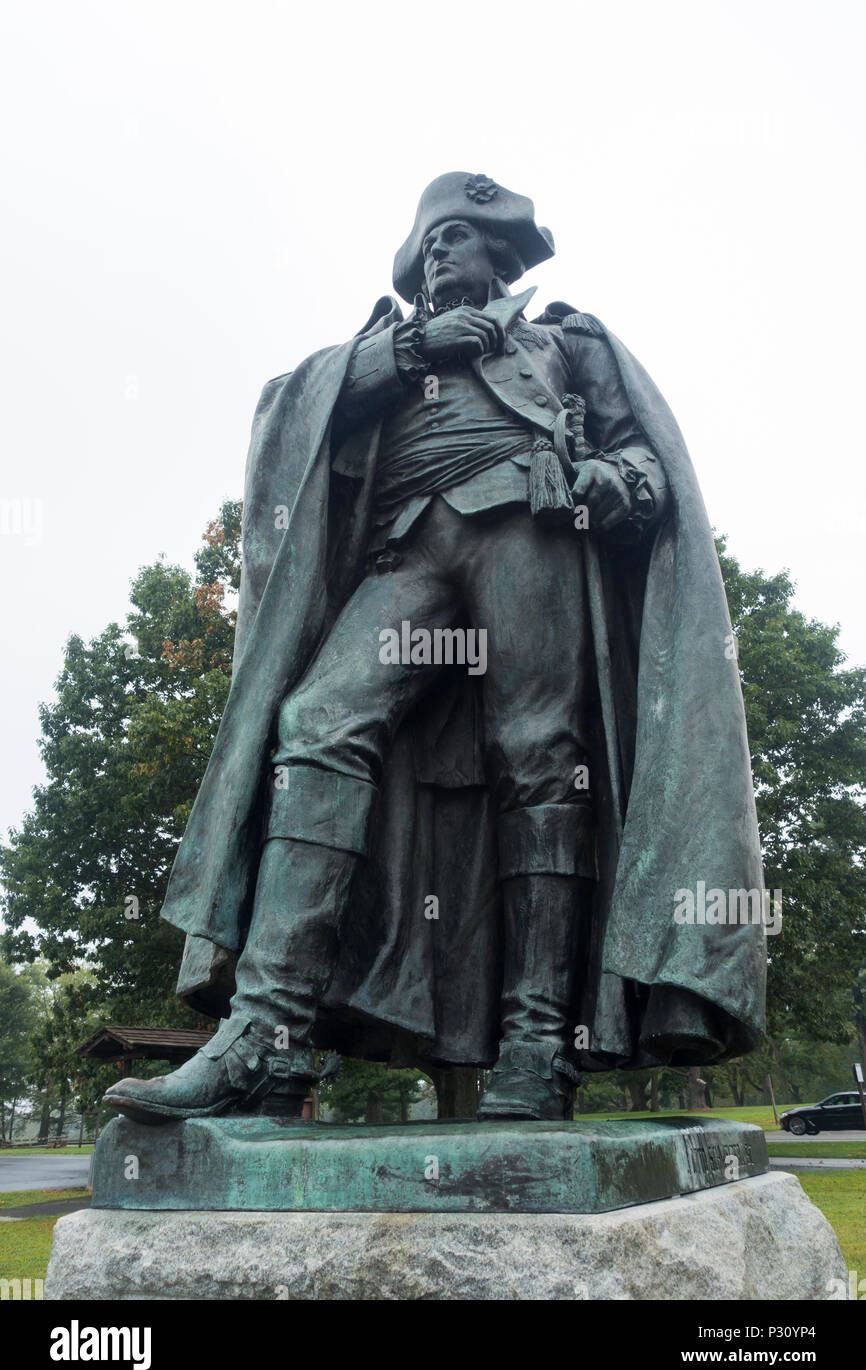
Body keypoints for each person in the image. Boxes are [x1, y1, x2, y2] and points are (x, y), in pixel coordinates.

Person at [105, 173, 765, 1125]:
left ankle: (540, 1039)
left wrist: (602, 480)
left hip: (524, 527)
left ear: (500, 252)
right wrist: (413, 345)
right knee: (318, 721)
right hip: (407, 550)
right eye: (427, 245)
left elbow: (644, 467)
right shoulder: (384, 350)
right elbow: (291, 417)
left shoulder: (566, 341)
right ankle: (265, 1031)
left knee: (540, 757)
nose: (436, 256)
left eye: (455, 237)